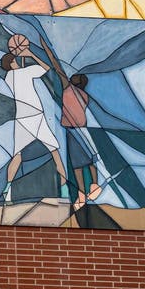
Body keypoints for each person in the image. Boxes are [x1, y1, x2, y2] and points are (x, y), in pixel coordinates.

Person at [0, 41, 71, 203]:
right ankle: (65, 187)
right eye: (15, 59)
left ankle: (7, 190)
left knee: (17, 155)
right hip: (35, 116)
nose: (17, 60)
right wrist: (30, 54)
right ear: (12, 62)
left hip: (21, 118)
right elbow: (46, 68)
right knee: (54, 150)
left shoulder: (8, 77)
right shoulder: (24, 73)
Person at [40, 41, 103, 210]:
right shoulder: (84, 95)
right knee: (89, 160)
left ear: (76, 81)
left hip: (74, 131)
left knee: (78, 164)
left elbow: (56, 67)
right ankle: (93, 185)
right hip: (83, 129)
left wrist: (46, 47)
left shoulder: (69, 89)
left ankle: (83, 191)